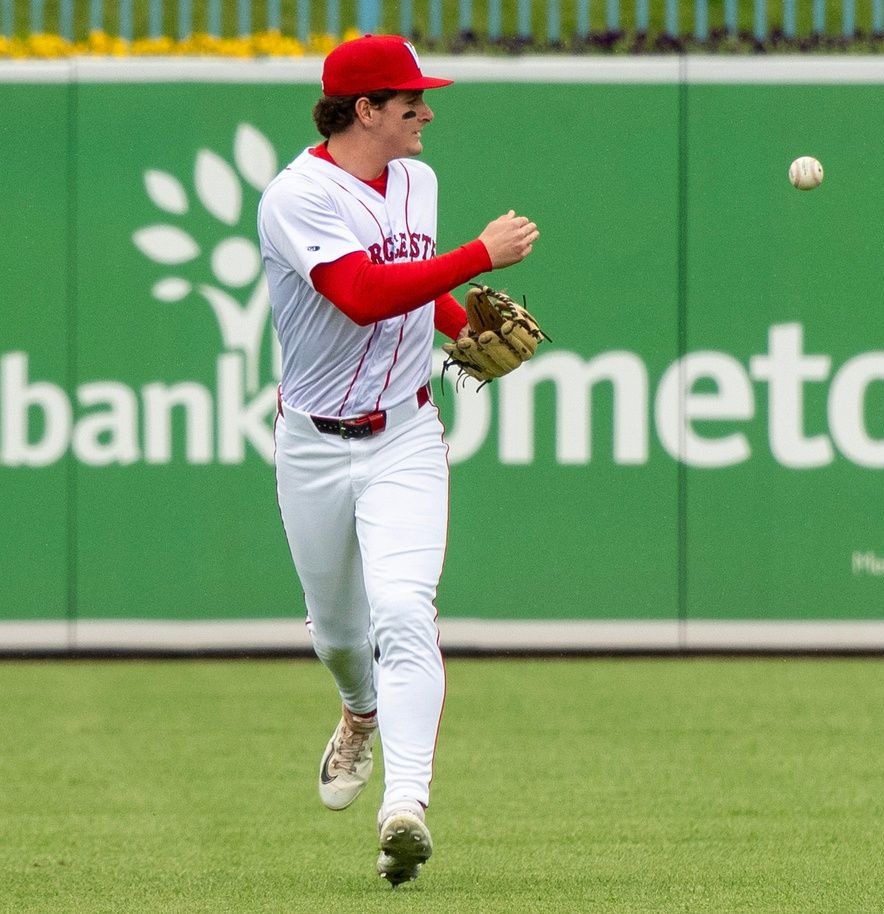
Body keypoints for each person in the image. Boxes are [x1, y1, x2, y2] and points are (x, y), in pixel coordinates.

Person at [256, 34, 539, 887]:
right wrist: (479, 255)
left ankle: (404, 808)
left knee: (406, 611)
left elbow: (414, 284)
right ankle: (357, 711)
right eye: (408, 98)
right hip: (313, 442)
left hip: (406, 434)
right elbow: (360, 294)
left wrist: (461, 325)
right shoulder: (295, 196)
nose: (426, 110)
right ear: (364, 111)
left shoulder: (417, 178)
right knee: (342, 636)